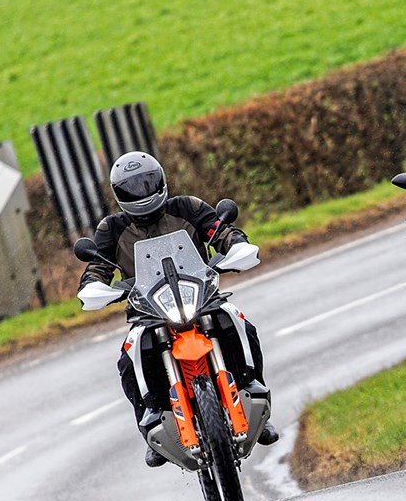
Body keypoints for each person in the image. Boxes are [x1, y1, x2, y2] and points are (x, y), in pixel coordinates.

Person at [79, 151, 278, 467]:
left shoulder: (187, 207)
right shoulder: (112, 228)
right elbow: (97, 267)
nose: (141, 193)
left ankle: (252, 393)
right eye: (132, 189)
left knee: (241, 324)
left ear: (161, 181)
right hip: (148, 313)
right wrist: (95, 288)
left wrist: (236, 245)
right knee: (128, 362)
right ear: (119, 194)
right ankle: (151, 421)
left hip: (201, 299)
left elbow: (219, 231)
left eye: (146, 184)